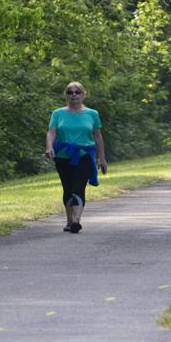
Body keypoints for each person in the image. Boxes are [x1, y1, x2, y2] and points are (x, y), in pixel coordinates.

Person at [45, 82, 107, 232]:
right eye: (70, 92)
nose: (74, 95)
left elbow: (98, 136)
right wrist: (49, 147)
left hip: (84, 155)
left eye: (77, 92)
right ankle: (69, 220)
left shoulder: (92, 114)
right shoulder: (58, 113)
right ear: (66, 95)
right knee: (67, 188)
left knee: (78, 187)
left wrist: (102, 158)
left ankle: (76, 221)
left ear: (83, 94)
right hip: (63, 155)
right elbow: (51, 132)